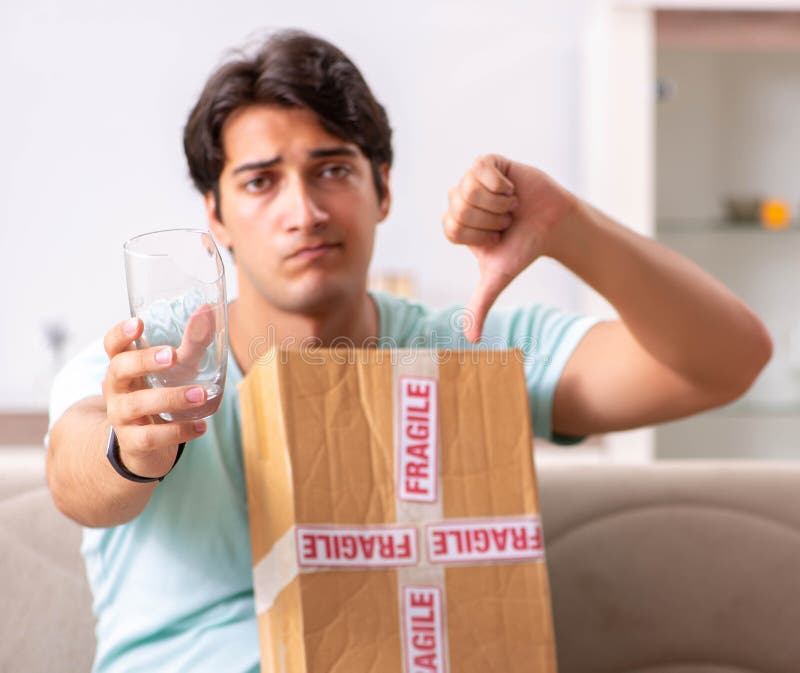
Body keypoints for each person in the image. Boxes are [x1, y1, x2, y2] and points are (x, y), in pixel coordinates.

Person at [46, 29, 772, 673]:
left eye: (333, 170)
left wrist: (569, 227)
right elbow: (73, 471)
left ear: (383, 188)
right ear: (217, 216)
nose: (305, 212)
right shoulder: (161, 356)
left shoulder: (464, 348)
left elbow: (725, 362)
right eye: (261, 182)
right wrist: (129, 448)